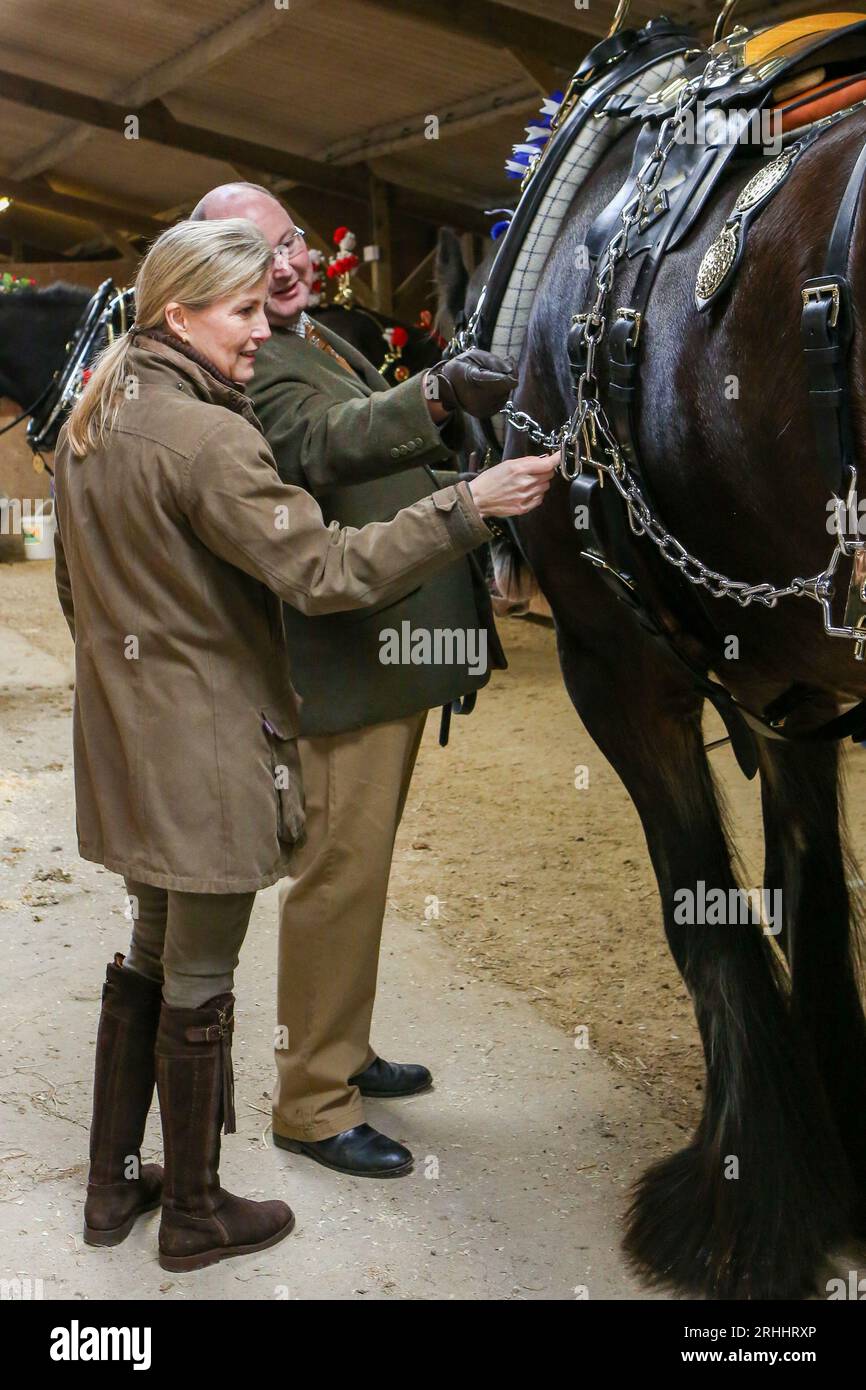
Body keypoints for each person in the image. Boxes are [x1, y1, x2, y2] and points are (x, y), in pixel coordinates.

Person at [53, 217, 557, 1271]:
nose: (255, 332)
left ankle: (111, 1188)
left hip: (126, 739)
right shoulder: (209, 437)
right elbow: (324, 572)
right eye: (238, 311)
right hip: (203, 750)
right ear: (179, 312)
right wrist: (466, 507)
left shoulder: (102, 409)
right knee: (198, 971)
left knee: (145, 950)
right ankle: (194, 1211)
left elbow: (74, 590)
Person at [190, 183, 519, 1176]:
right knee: (335, 878)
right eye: (257, 257)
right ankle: (312, 1102)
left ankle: (342, 1045)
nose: (284, 265)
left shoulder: (315, 336)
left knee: (359, 872)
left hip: (383, 660)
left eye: (288, 243)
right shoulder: (254, 364)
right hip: (343, 664)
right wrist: (434, 396)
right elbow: (319, 443)